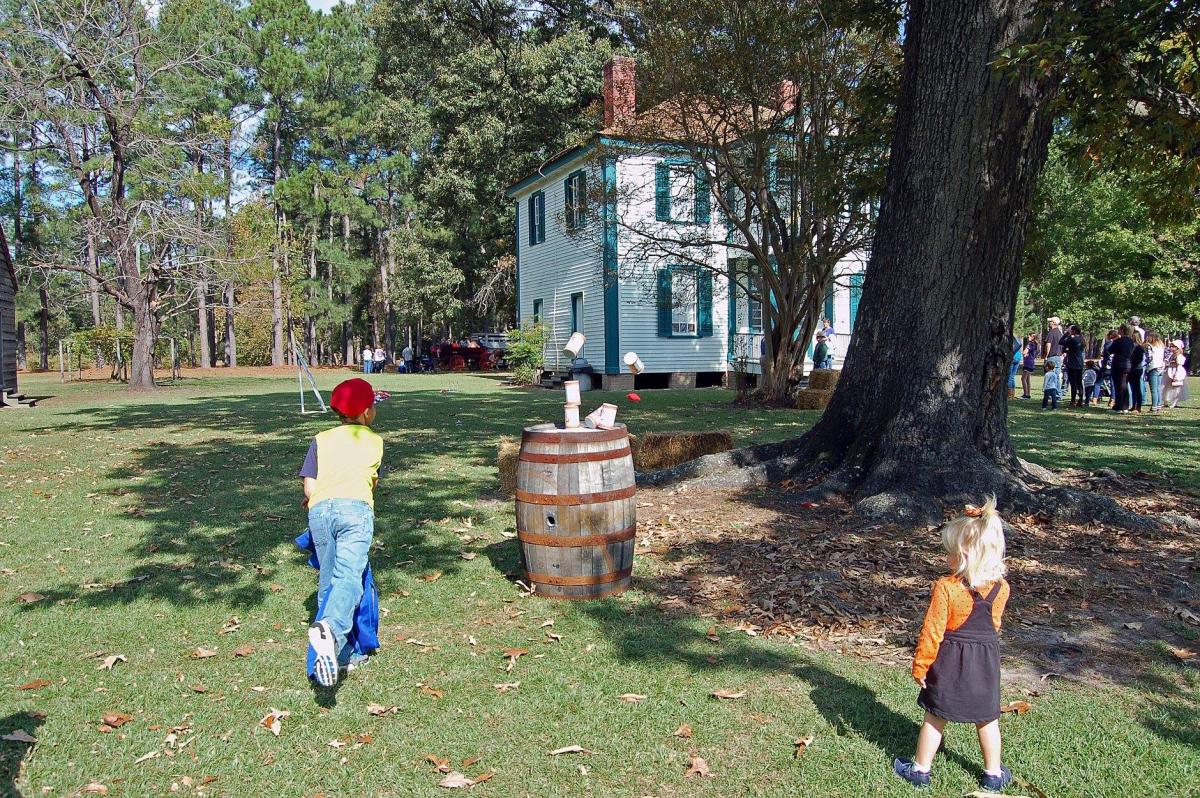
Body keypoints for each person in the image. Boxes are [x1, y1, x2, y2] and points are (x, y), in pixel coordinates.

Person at [893, 499, 1012, 793]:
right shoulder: (1002, 588)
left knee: (935, 718)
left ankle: (920, 770)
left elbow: (933, 631)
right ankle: (993, 775)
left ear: (965, 555)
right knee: (988, 719)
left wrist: (921, 664)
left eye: (950, 553)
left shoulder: (947, 587)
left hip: (950, 663)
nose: (946, 558)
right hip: (985, 663)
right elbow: (994, 625)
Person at [298, 377, 384, 687]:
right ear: (364, 412)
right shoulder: (374, 441)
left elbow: (310, 486)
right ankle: (332, 633)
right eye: (372, 407)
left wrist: (316, 500)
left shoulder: (321, 439)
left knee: (328, 580)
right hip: (355, 510)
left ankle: (338, 652)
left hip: (320, 511)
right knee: (349, 577)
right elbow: (371, 483)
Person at [1108, 324, 1136, 413]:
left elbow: (1110, 350)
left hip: (1119, 365)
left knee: (1119, 386)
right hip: (1128, 365)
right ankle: (1125, 405)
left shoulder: (1119, 341)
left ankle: (1119, 406)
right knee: (1124, 385)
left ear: (1123, 330)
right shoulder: (1131, 341)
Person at [1060, 324, 1085, 407]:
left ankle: (1073, 400)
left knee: (1073, 382)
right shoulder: (1082, 339)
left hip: (1072, 363)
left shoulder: (1072, 339)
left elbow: (1061, 342)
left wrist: (1066, 334)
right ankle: (1080, 399)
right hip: (1080, 363)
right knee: (1079, 382)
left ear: (1073, 331)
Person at [1163, 339, 1189, 410]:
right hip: (1170, 372)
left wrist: (1176, 376)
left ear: (1177, 348)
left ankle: (1175, 402)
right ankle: (1166, 401)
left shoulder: (1179, 356)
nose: (1171, 348)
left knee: (1176, 388)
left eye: (1173, 347)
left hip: (1176, 372)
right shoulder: (1172, 355)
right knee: (1167, 387)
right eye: (1171, 346)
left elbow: (1179, 367)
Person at [1145, 332, 1165, 412]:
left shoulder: (1150, 346)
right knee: (1158, 388)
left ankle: (1154, 406)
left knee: (1153, 389)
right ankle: (1159, 405)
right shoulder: (1161, 346)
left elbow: (1149, 357)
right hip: (1160, 367)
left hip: (1153, 367)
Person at [1129, 332, 1146, 413]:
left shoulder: (1138, 347)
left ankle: (1138, 406)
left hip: (1136, 369)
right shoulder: (1136, 346)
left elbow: (1139, 359)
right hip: (1134, 368)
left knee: (1136, 388)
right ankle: (1134, 405)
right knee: (1133, 388)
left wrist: (1131, 362)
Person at [1044, 317, 1064, 381]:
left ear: (1053, 323)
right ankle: (1058, 390)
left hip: (1051, 357)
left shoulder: (1051, 333)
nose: (1049, 323)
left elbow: (1048, 345)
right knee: (1057, 377)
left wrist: (1046, 356)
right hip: (1058, 357)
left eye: (1050, 322)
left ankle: (1050, 390)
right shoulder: (1060, 333)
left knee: (1050, 376)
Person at [1019, 333, 1038, 399]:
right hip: (1031, 362)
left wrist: (1024, 353)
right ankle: (1028, 393)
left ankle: (1025, 394)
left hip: (1027, 362)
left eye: (1029, 336)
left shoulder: (1030, 344)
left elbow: (1024, 352)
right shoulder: (1035, 344)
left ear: (1033, 337)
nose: (1028, 337)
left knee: (1023, 378)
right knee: (1027, 379)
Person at [1008, 334, 1022, 399]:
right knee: (1012, 377)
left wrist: (1011, 353)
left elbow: (1019, 345)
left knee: (1009, 377)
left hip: (1013, 357)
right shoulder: (1016, 337)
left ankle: (1009, 395)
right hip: (1018, 357)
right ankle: (1012, 394)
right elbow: (1020, 344)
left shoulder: (1010, 337)